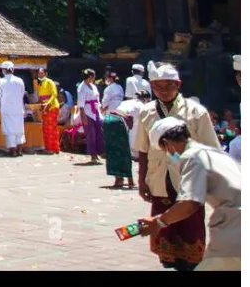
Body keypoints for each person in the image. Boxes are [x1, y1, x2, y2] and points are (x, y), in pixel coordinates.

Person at [133, 62, 221, 271]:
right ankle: (170, 261)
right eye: (157, 87)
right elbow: (143, 150)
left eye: (169, 86)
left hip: (189, 180)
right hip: (159, 178)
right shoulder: (146, 112)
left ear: (179, 84)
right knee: (165, 236)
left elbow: (211, 149)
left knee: (190, 230)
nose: (163, 91)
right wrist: (142, 180)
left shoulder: (195, 112)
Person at [139, 117, 241, 271]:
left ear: (167, 143)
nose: (168, 154)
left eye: (164, 149)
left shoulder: (191, 158)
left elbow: (189, 203)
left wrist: (159, 222)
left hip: (235, 228)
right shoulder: (210, 152)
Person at [100, 70, 132, 187]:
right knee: (124, 148)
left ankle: (118, 178)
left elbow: (104, 103)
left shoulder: (108, 89)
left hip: (112, 117)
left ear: (109, 78)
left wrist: (102, 108)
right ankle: (130, 178)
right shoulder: (120, 88)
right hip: (122, 116)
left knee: (113, 148)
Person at [0, 62, 26, 156]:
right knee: (19, 129)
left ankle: (13, 151)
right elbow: (22, 93)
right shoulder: (19, 80)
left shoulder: (1, 81)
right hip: (18, 108)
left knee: (9, 130)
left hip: (7, 109)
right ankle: (19, 150)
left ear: (3, 70)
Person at [76, 69, 104, 164]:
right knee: (90, 134)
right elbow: (81, 103)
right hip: (87, 112)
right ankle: (93, 155)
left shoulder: (93, 86)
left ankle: (99, 152)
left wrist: (100, 109)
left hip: (96, 111)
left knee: (99, 132)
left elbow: (97, 99)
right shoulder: (82, 87)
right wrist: (83, 116)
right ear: (91, 77)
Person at [35, 68, 61, 154]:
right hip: (44, 108)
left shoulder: (50, 81)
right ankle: (48, 147)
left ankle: (53, 148)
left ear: (46, 73)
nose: (40, 75)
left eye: (42, 73)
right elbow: (41, 97)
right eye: (39, 73)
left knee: (51, 128)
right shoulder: (40, 84)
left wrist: (48, 103)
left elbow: (54, 94)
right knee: (45, 128)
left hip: (52, 107)